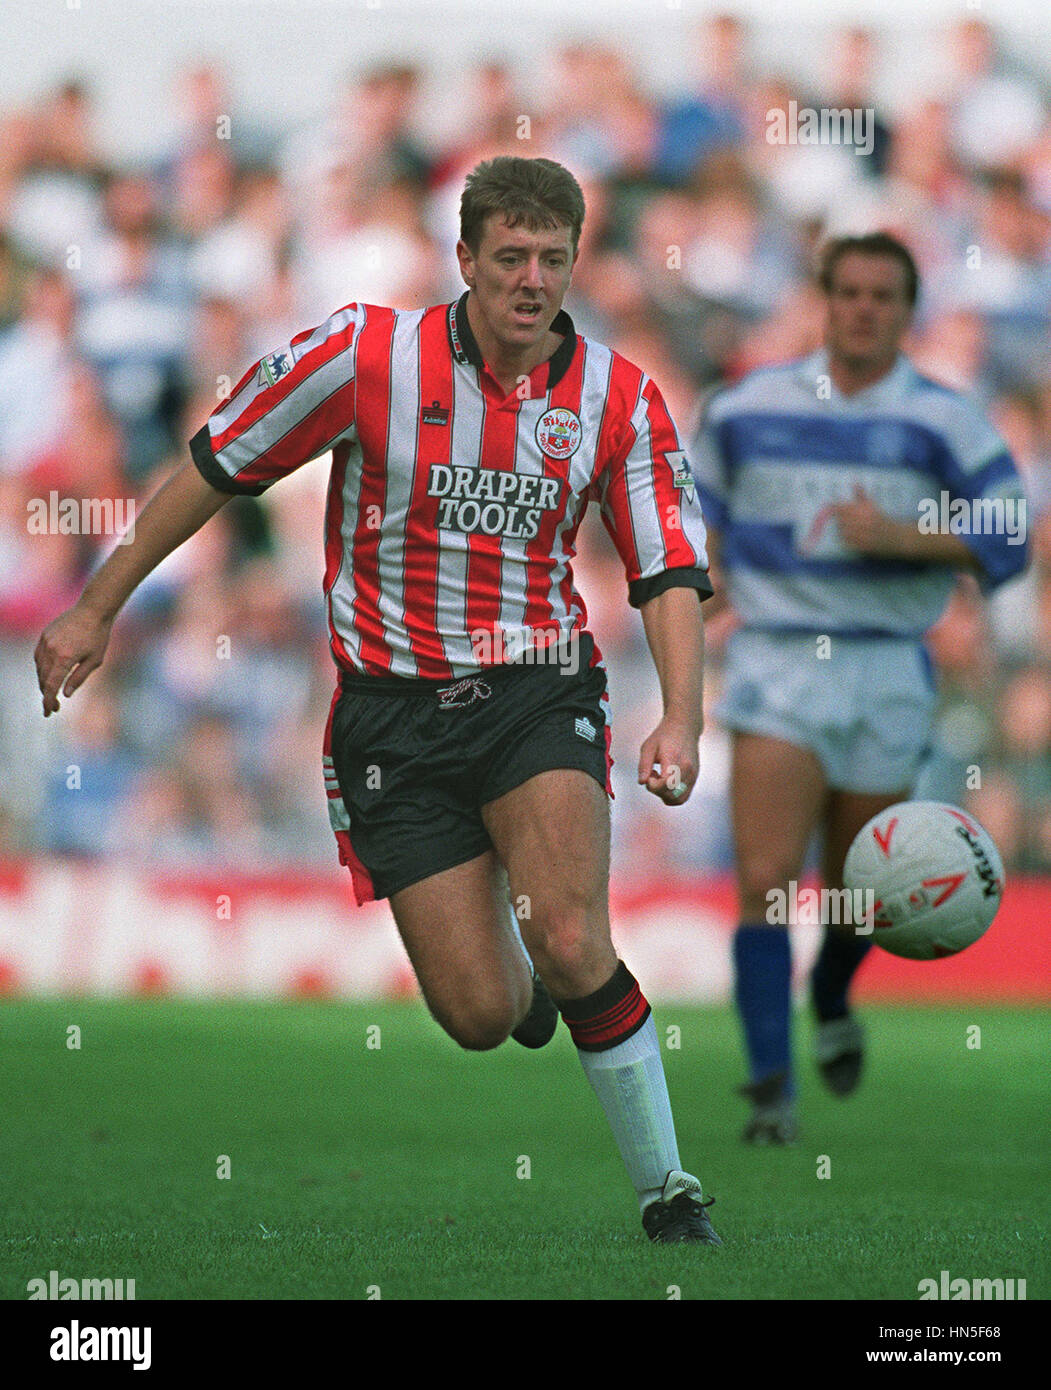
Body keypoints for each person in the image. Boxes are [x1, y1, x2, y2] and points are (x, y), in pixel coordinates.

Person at [35, 156, 721, 1244]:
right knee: (478, 1014)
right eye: (509, 257)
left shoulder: (619, 397)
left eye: (552, 258)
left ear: (575, 263)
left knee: (577, 936)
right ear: (463, 260)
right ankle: (530, 976)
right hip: (388, 717)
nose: (531, 279)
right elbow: (218, 464)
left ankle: (669, 1191)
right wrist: (97, 604)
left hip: (535, 688)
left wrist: (680, 713)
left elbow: (669, 567)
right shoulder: (365, 355)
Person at [691, 232, 1029, 1143]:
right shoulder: (742, 408)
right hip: (777, 656)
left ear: (906, 310)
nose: (863, 308)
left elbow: (1011, 533)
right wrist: (696, 598)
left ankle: (833, 992)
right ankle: (770, 1088)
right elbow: (693, 531)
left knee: (856, 891)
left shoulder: (943, 419)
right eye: (847, 291)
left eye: (882, 294)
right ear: (823, 299)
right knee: (763, 879)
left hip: (885, 660)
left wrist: (906, 538)